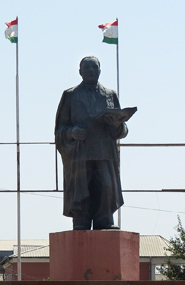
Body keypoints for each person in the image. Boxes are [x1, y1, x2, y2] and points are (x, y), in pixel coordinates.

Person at [55, 56, 129, 230]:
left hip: (105, 152)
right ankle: (81, 219)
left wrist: (117, 125)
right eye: (87, 68)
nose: (91, 71)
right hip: (80, 154)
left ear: (100, 71)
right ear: (80, 72)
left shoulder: (110, 95)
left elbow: (122, 130)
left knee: (107, 186)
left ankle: (104, 219)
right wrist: (71, 132)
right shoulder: (70, 95)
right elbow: (59, 130)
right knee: (82, 189)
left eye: (94, 68)